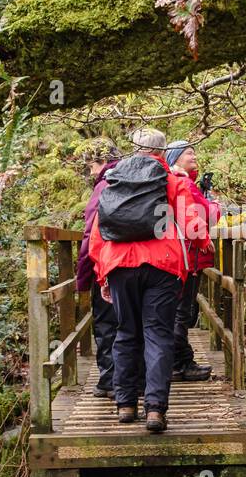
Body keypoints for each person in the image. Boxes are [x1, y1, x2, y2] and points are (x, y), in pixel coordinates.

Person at [89, 127, 212, 433]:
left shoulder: (112, 181)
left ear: (133, 149)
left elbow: (97, 234)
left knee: (126, 332)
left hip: (119, 265)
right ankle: (155, 409)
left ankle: (126, 404)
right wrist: (204, 242)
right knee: (158, 334)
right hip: (163, 265)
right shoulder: (171, 180)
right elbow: (189, 220)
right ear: (161, 152)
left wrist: (103, 273)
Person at [164, 140, 219, 381]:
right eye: (188, 152)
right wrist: (216, 205)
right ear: (175, 158)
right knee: (180, 312)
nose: (193, 155)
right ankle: (179, 364)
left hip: (177, 255)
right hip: (187, 257)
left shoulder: (180, 181)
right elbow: (203, 216)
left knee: (178, 311)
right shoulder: (184, 184)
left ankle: (180, 360)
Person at [74, 138, 121, 398]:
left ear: (103, 162)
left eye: (91, 165)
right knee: (130, 322)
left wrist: (83, 277)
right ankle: (131, 378)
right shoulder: (137, 179)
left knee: (106, 324)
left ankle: (109, 380)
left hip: (105, 267)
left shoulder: (104, 185)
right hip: (138, 264)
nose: (90, 172)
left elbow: (89, 234)